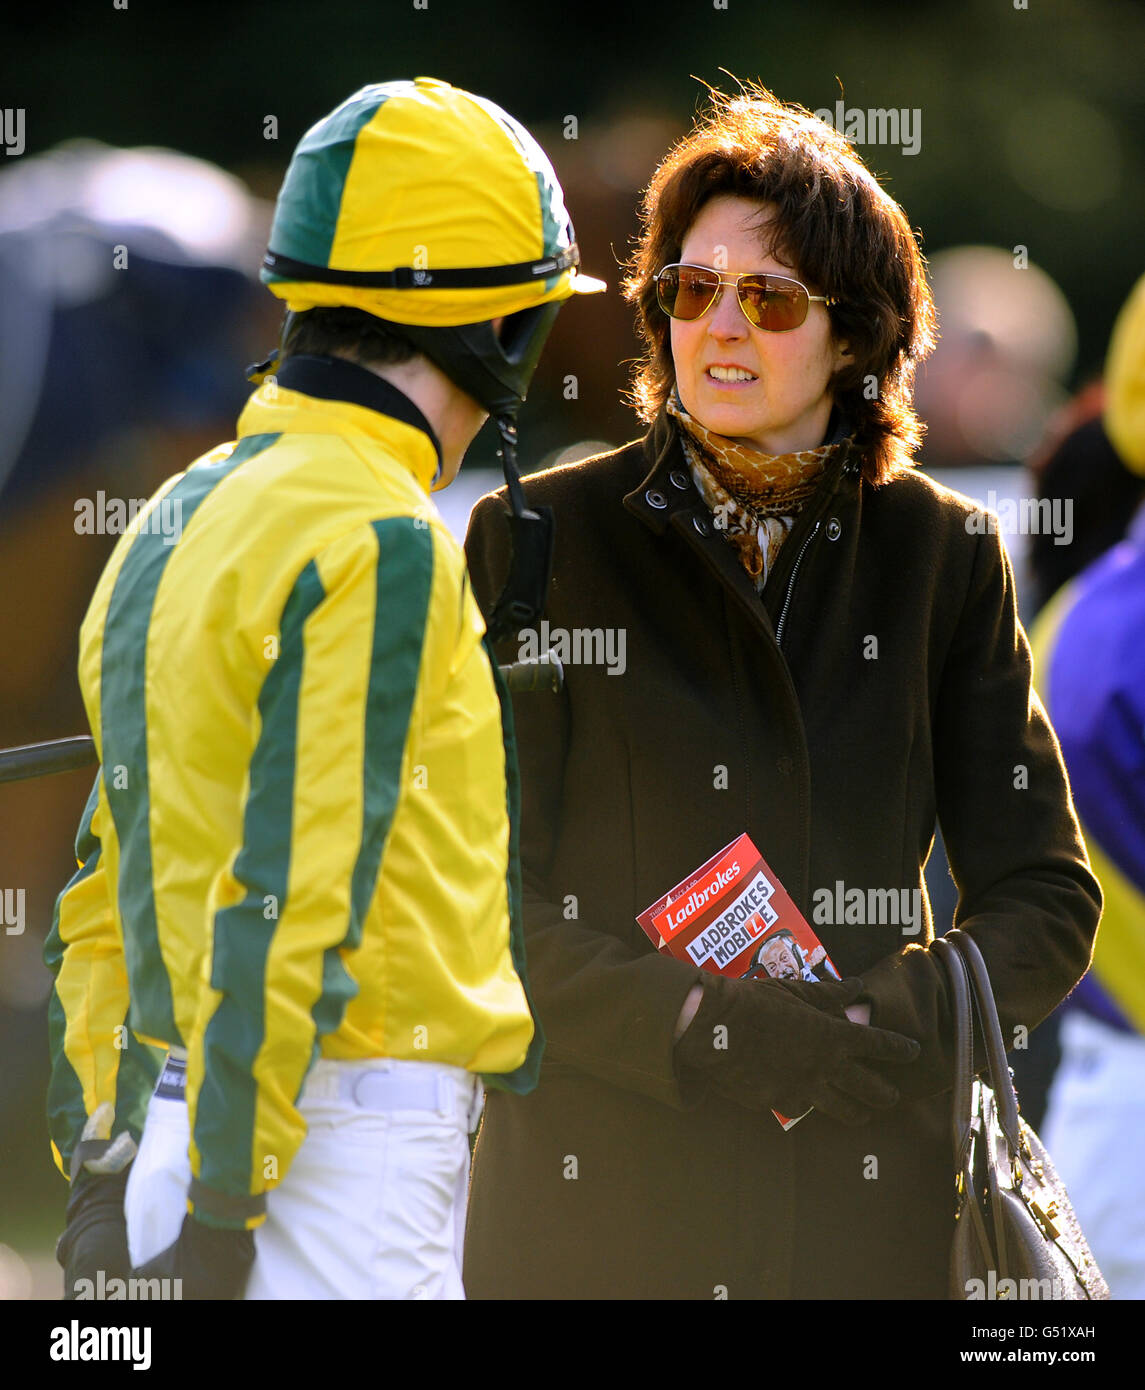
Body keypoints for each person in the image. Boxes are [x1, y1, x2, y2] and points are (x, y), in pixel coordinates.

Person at [462, 83, 1101, 1300]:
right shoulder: (535, 536)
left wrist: (885, 1020)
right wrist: (698, 1027)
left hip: (866, 1221)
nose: (718, 328)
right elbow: (479, 903)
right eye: (688, 291)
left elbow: (1042, 895)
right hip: (596, 1226)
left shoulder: (942, 553)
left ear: (856, 336)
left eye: (768, 297)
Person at [45, 76, 603, 1300]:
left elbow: (101, 893)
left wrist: (100, 1165)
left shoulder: (170, 518)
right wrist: (228, 1206)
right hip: (330, 1167)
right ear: (501, 331)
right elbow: (287, 893)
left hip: (165, 1141)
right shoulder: (385, 542)